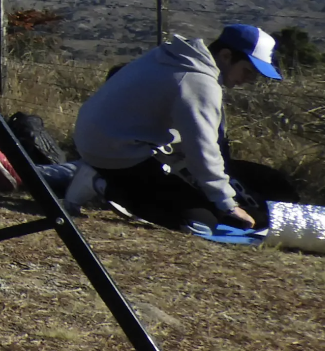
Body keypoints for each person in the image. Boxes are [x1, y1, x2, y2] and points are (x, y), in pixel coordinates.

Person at [62, 25, 280, 228]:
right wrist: (227, 204)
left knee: (194, 199)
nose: (248, 80)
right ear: (226, 56)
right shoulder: (199, 82)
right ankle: (102, 184)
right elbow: (202, 149)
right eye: (247, 71)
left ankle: (106, 177)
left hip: (98, 137)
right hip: (116, 152)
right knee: (202, 221)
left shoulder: (175, 57)